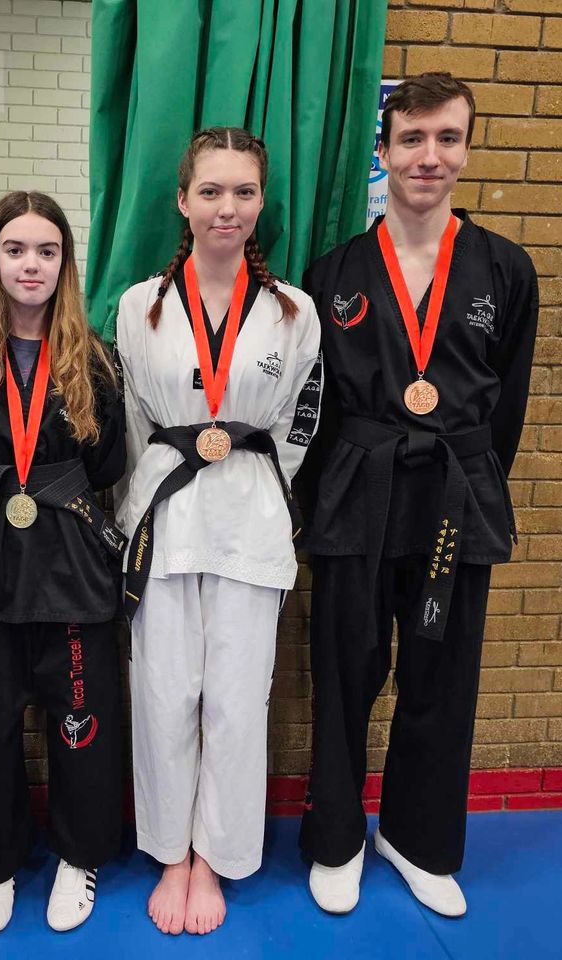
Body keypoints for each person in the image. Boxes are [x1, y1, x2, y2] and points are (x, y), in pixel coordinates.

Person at [298, 72, 539, 918]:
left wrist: (471, 482)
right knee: (344, 672)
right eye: (412, 138)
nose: (429, 156)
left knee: (443, 676)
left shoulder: (505, 269)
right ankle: (337, 838)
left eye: (447, 138)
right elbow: (316, 406)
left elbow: (507, 405)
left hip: (453, 495)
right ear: (384, 149)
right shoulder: (333, 272)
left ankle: (417, 839)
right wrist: (319, 503)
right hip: (357, 494)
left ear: (467, 148)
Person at [114, 127, 323, 936]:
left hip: (251, 516)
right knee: (165, 694)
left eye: (243, 191)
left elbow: (300, 422)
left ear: (262, 202)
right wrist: (141, 502)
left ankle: (216, 857)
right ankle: (171, 852)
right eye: (210, 191)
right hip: (166, 514)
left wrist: (263, 485)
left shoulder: (294, 312)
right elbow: (133, 420)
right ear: (182, 200)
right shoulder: (141, 306)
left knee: (236, 702)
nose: (226, 207)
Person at [0, 191, 126, 934]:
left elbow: (109, 461)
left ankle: (80, 855)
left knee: (82, 716)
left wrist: (49, 483)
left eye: (48, 251)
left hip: (73, 555)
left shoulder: (93, 357)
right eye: (15, 250)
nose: (31, 265)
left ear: (64, 263)